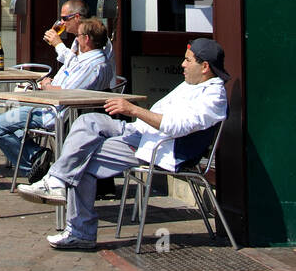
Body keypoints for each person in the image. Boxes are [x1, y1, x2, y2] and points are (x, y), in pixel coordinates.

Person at [17, 38, 230, 251]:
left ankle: (79, 230)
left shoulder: (213, 97)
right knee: (87, 121)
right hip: (141, 132)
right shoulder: (191, 84)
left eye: (188, 60)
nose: (182, 64)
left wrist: (133, 110)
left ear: (204, 67)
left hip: (160, 148)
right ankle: (57, 182)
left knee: (82, 158)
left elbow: (176, 126)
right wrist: (134, 116)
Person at [0, 18, 112, 179]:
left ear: (86, 39)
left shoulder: (92, 65)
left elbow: (67, 93)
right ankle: (37, 156)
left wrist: (46, 86)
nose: (76, 38)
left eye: (78, 36)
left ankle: (35, 165)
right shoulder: (89, 59)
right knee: (11, 112)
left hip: (53, 113)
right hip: (50, 109)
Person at [44, 0, 116, 89]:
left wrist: (59, 45)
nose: (61, 22)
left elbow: (80, 68)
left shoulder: (97, 42)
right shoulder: (78, 40)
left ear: (77, 17)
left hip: (85, 97)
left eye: (64, 18)